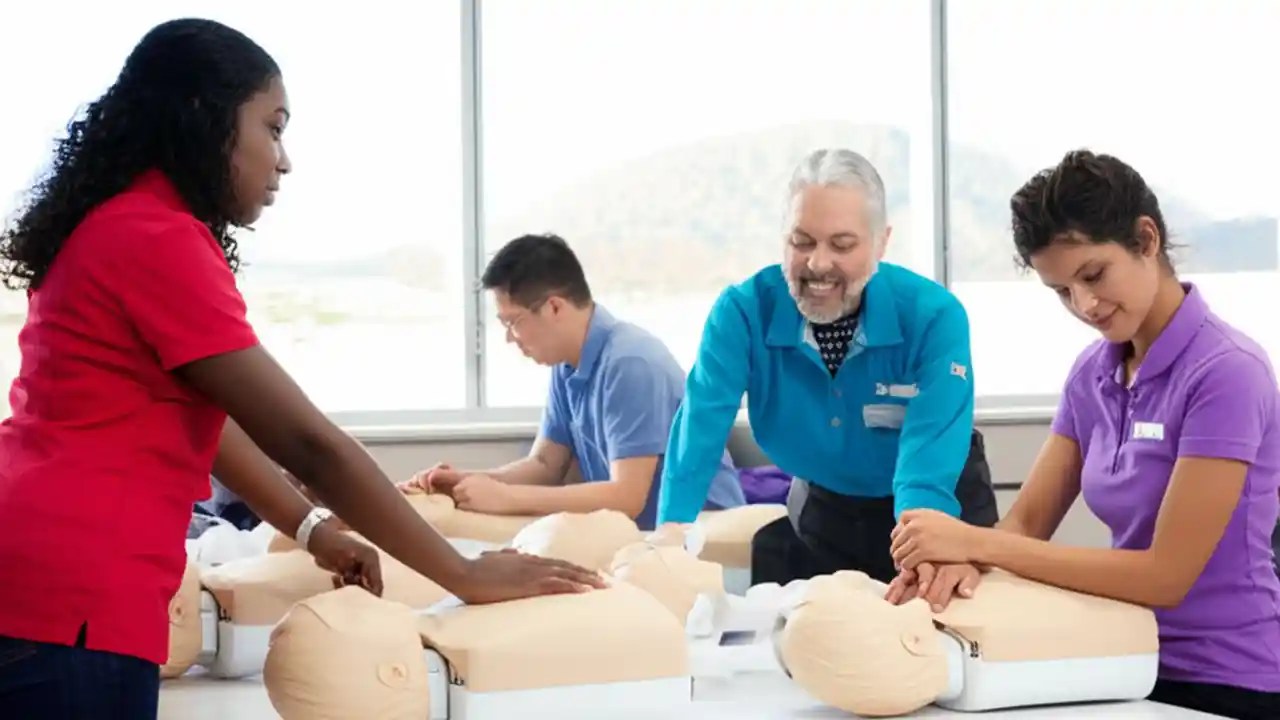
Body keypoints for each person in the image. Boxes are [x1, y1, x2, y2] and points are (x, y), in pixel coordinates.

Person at [0, 19, 599, 719]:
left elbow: (210, 423)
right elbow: (308, 443)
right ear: (207, 120)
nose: (283, 160)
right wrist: (464, 572)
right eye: (272, 127)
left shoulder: (113, 224)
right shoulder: (155, 239)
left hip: (41, 575)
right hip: (75, 599)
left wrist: (313, 528)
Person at [888, 149, 1280, 720]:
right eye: (1062, 290)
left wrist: (971, 541)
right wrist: (956, 569)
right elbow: (1026, 524)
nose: (1085, 304)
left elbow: (1165, 576)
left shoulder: (1226, 373)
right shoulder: (1091, 375)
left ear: (1146, 240)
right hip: (1118, 661)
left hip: (1231, 679)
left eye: (1094, 275)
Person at [655, 148, 997, 604]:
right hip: (825, 506)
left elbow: (926, 464)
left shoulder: (934, 317)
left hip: (934, 505)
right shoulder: (742, 312)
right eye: (801, 241)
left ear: (881, 242)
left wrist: (926, 554)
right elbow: (700, 426)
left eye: (842, 244)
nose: (817, 264)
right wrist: (670, 538)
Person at [403, 233, 745, 531]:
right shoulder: (567, 366)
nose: (511, 338)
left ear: (554, 307)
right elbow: (545, 465)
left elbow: (626, 496)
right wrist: (470, 481)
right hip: (637, 530)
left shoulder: (631, 363)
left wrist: (505, 497)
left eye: (513, 322)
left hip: (701, 531)